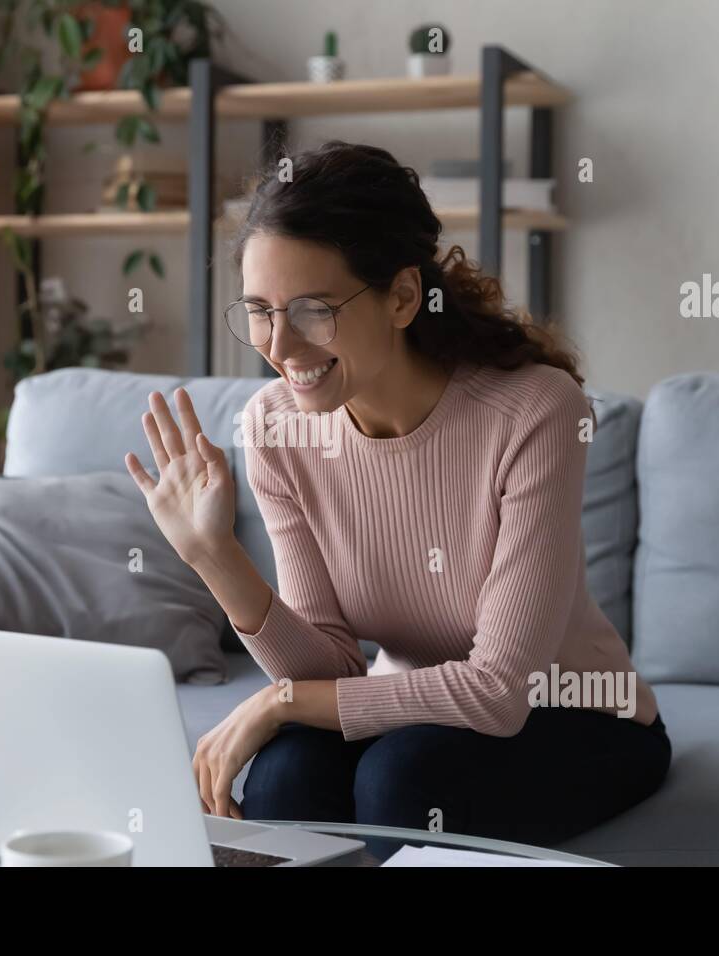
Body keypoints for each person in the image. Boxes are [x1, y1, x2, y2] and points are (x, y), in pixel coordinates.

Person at [124, 140, 670, 846]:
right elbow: (329, 666)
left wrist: (279, 701)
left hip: (575, 713)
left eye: (313, 309)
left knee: (402, 780)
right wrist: (212, 554)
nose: (280, 346)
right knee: (287, 775)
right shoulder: (275, 427)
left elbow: (499, 692)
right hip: (412, 713)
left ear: (403, 297)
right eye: (260, 310)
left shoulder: (536, 412)